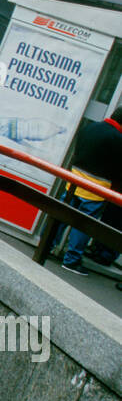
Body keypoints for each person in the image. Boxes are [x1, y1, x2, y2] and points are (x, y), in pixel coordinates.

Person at [58, 106, 122, 276]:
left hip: (74, 181)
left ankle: (48, 245)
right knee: (84, 224)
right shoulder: (119, 139)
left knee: (61, 215)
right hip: (96, 189)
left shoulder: (91, 127)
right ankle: (71, 261)